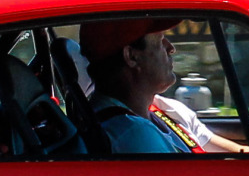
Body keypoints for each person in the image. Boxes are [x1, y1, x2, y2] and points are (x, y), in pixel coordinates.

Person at [78, 18, 219, 154]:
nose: (171, 48)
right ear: (132, 56)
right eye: (159, 40)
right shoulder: (134, 134)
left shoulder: (156, 108)